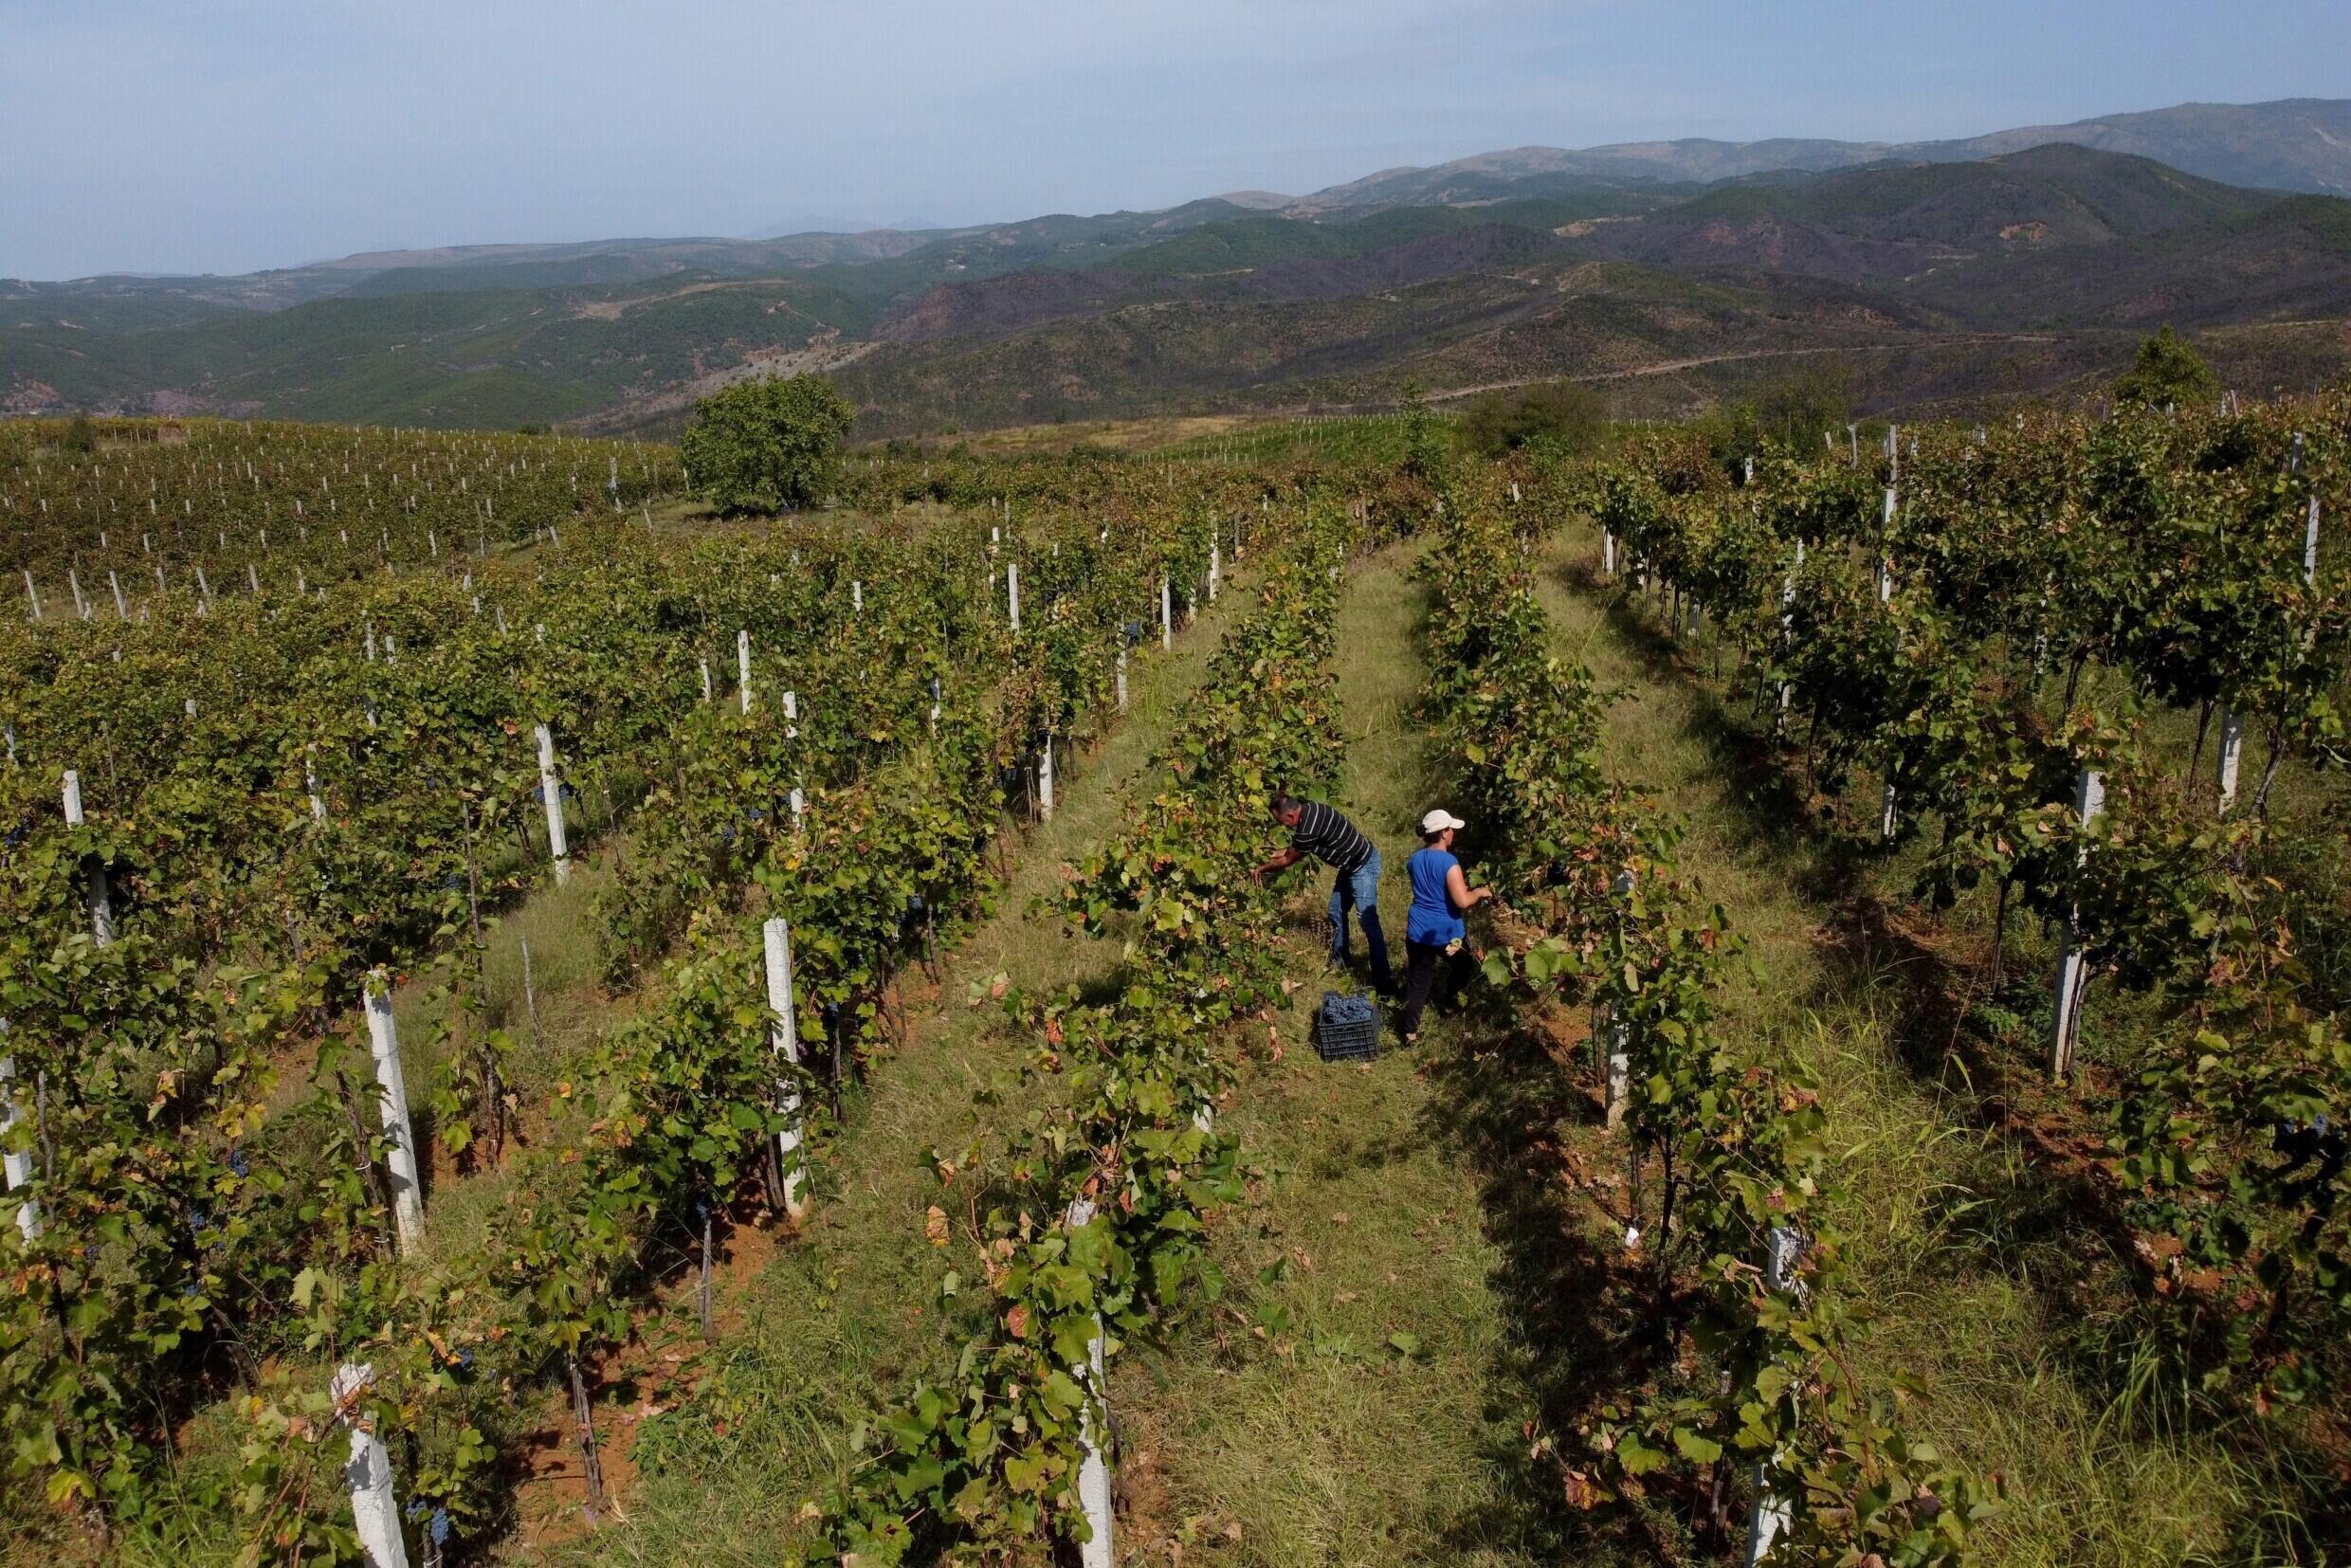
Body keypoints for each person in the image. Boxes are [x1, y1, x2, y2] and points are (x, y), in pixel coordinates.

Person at [1253, 793, 1393, 994]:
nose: (1283, 826)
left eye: (1282, 822)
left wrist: (1260, 869)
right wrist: (1273, 853)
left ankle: (1384, 981)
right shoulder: (1312, 810)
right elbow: (1295, 848)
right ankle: (1341, 962)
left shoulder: (1307, 829)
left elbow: (1289, 859)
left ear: (1291, 815)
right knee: (1336, 911)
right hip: (1351, 865)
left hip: (1362, 867)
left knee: (1368, 921)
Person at [1401, 808, 1491, 1039]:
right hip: (1447, 932)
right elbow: (1462, 901)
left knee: (1418, 983)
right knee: (1463, 965)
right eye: (1451, 829)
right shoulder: (1450, 862)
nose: (1453, 833)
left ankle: (1410, 1033)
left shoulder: (1414, 859)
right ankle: (1451, 1005)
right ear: (1443, 833)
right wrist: (1479, 892)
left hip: (1418, 930)